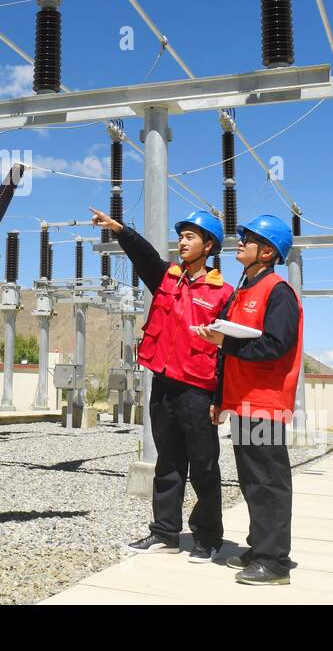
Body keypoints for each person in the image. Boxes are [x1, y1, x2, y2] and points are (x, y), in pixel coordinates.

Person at [89, 206, 233, 563]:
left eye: (190, 237)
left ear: (209, 245)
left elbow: (228, 352)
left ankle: (208, 537)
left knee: (204, 466)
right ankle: (165, 533)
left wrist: (222, 398)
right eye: (181, 236)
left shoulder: (222, 293)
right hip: (164, 384)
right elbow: (145, 256)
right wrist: (121, 231)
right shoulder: (168, 279)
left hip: (198, 390)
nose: (182, 242)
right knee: (167, 463)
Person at [193, 214, 303, 586]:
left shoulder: (278, 291)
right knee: (251, 479)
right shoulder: (244, 291)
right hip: (242, 402)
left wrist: (226, 340)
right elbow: (229, 352)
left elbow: (275, 345)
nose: (240, 243)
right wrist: (220, 398)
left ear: (268, 251)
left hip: (265, 402)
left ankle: (274, 561)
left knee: (268, 480)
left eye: (249, 239)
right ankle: (260, 548)